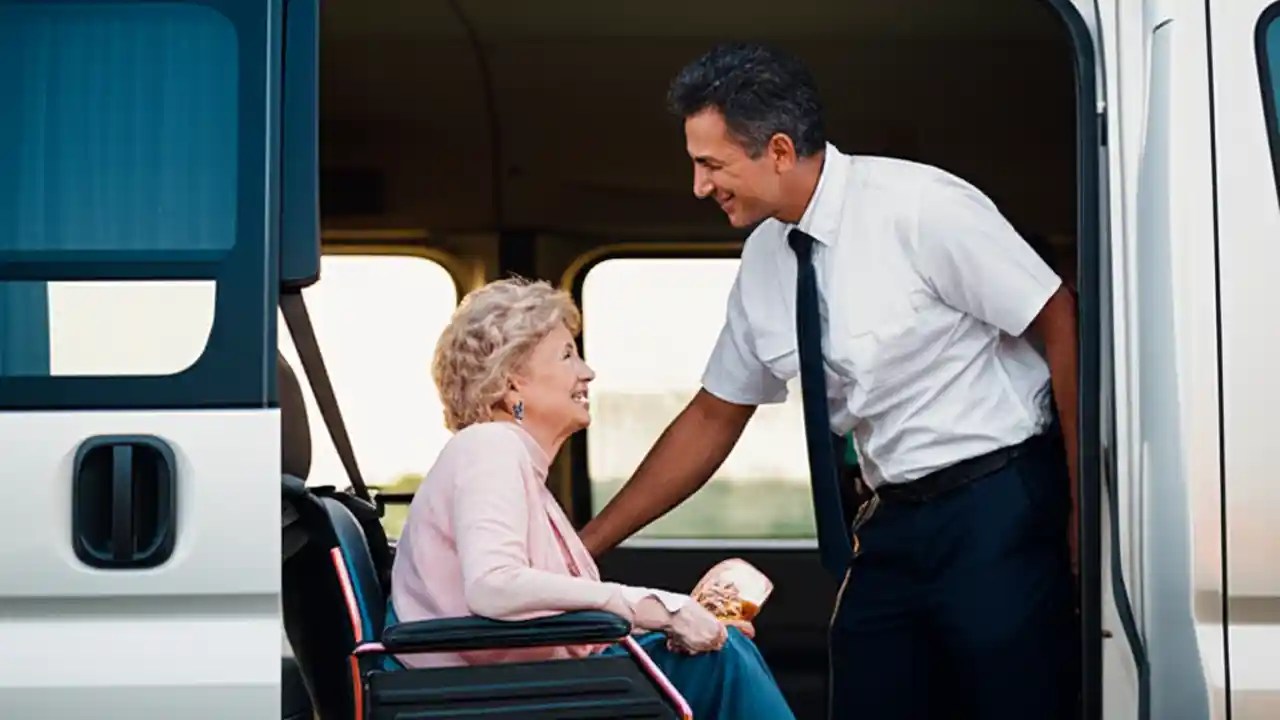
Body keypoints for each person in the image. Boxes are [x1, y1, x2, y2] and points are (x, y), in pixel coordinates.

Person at [580, 43, 1079, 719]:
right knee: (867, 685)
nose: (699, 185)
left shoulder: (921, 207)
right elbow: (712, 416)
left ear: (779, 151)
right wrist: (583, 549)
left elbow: (1057, 317)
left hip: (998, 504)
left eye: (711, 164)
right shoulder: (765, 257)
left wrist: (1086, 504)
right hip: (893, 518)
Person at [386, 277, 797, 720]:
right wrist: (659, 608)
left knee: (716, 643)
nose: (587, 372)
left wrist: (680, 620)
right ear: (511, 386)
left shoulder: (514, 463)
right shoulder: (490, 448)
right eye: (567, 356)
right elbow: (493, 586)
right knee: (725, 656)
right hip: (494, 697)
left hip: (528, 686)